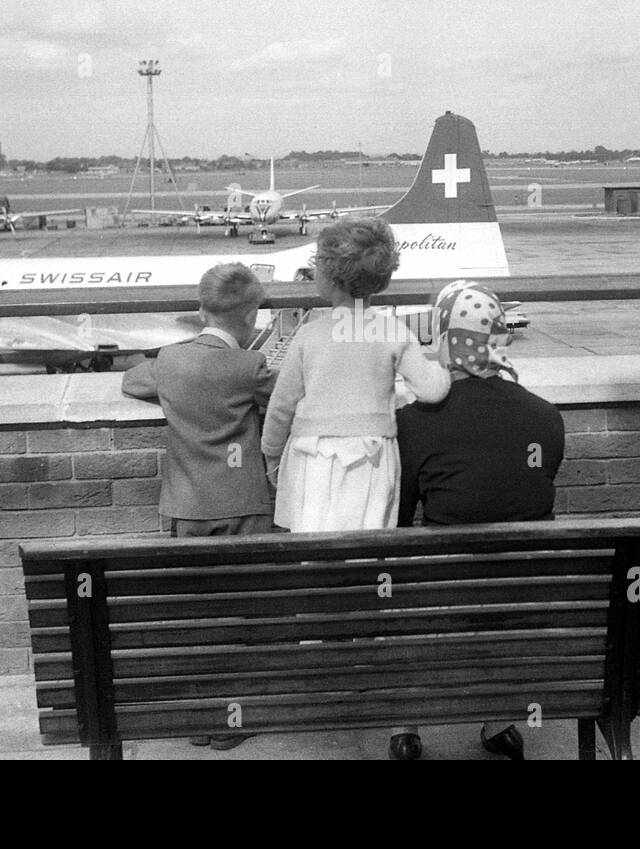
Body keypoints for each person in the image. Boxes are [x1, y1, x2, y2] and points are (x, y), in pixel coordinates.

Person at [392, 280, 566, 761]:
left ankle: (405, 724)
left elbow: (402, 518)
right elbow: (531, 493)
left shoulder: (416, 421)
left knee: (404, 570)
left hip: (441, 595)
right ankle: (498, 718)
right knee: (504, 580)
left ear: (444, 338)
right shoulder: (547, 417)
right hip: (524, 596)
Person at [121, 262, 279, 750]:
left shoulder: (170, 360)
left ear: (200, 309)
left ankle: (201, 713)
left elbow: (131, 382)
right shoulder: (249, 368)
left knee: (198, 612)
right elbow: (287, 396)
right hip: (244, 502)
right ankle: (234, 715)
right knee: (245, 613)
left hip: (188, 504)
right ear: (251, 316)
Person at [260, 216, 450, 534]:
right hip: (372, 456)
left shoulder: (310, 335)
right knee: (367, 544)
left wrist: (270, 453)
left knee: (313, 545)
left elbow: (282, 404)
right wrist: (446, 360)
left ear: (331, 278)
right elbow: (431, 389)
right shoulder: (392, 330)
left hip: (313, 454)